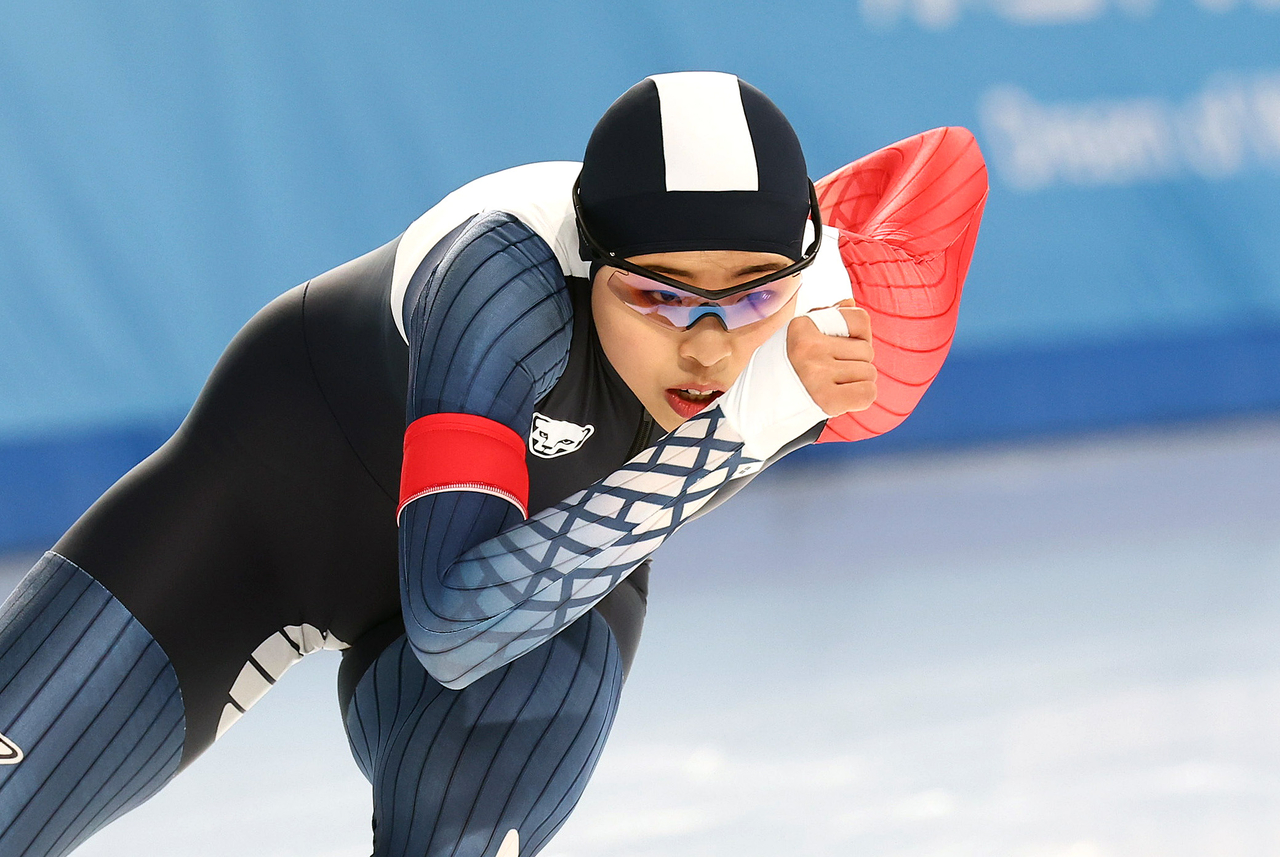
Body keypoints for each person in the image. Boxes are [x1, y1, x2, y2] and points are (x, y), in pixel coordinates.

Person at [0, 72, 988, 857]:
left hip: (541, 581)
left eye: (748, 300)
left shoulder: (842, 323)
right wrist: (752, 421)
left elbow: (941, 176)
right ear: (587, 261)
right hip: (269, 510)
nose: (705, 346)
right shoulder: (501, 277)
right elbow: (453, 621)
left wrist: (786, 372)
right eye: (657, 296)